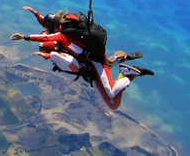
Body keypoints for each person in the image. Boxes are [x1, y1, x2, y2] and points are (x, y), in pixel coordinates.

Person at [11, 9, 153, 110]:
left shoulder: (62, 36)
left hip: (96, 63)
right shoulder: (65, 28)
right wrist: (35, 13)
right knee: (113, 105)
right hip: (91, 67)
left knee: (110, 91)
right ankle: (122, 66)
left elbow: (46, 37)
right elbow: (45, 24)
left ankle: (128, 73)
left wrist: (25, 36)